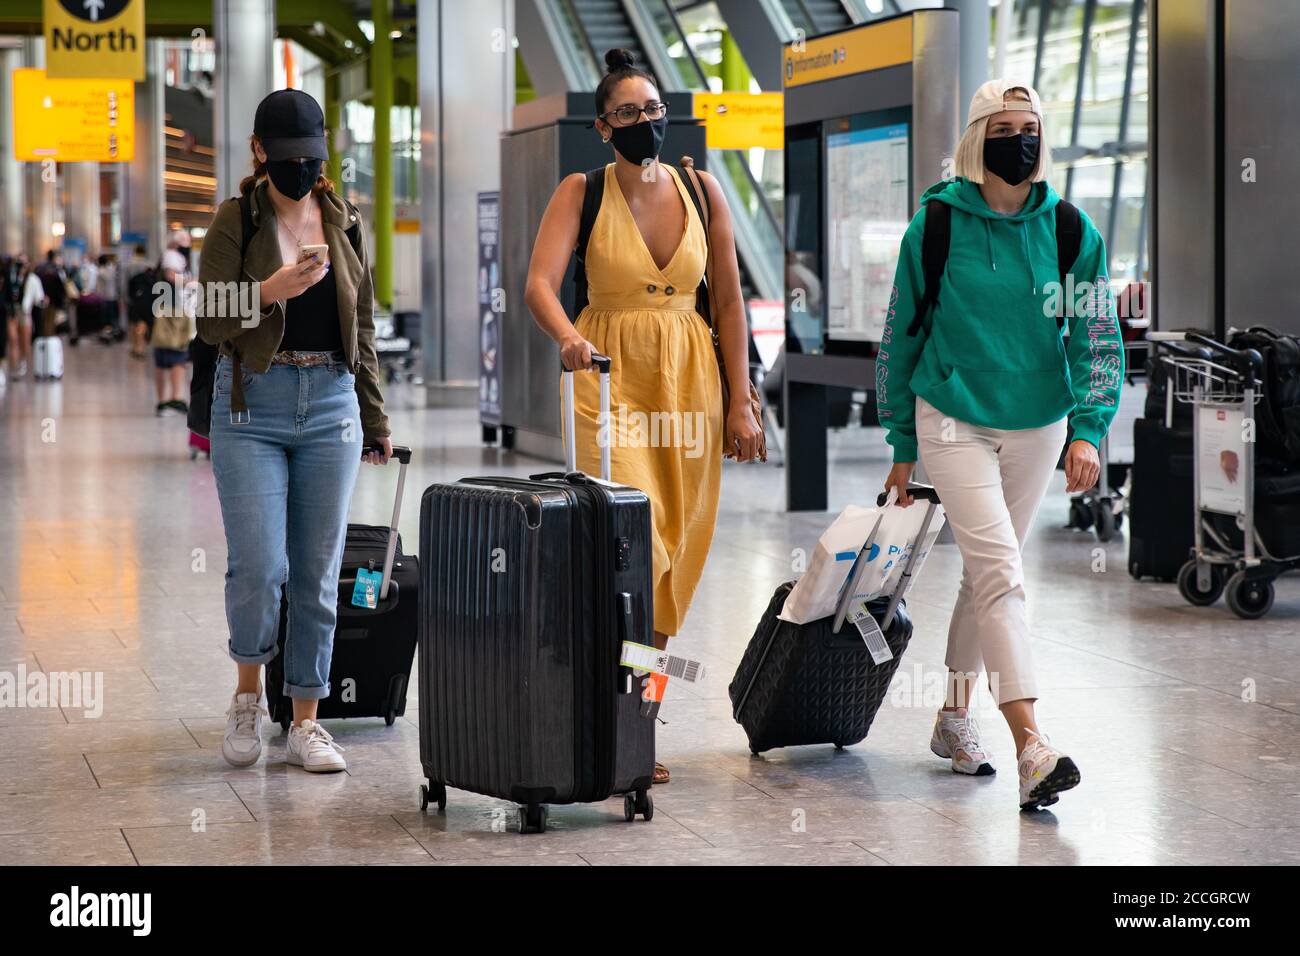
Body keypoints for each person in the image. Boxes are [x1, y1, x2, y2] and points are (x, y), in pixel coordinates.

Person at [877, 80, 1123, 812]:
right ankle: (1032, 746)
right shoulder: (937, 226)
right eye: (1004, 126)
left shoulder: (1073, 230)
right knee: (1003, 576)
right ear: (978, 137)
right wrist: (900, 441)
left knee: (986, 577)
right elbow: (901, 336)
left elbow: (1097, 337)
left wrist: (1087, 429)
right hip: (951, 415)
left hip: (1039, 422)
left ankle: (953, 720)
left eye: (1030, 127)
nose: (1019, 139)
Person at [524, 49, 763, 786]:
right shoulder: (582, 191)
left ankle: (640, 721)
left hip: (691, 383)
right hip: (611, 376)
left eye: (654, 110)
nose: (645, 123)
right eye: (629, 114)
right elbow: (538, 280)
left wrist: (743, 397)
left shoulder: (701, 190)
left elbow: (726, 301)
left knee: (676, 567)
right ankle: (604, 707)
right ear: (603, 127)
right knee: (633, 545)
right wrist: (568, 337)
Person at [197, 88, 394, 774]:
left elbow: (361, 325)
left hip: (331, 402)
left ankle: (306, 718)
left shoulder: (344, 219)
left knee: (315, 571)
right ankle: (248, 696)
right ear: (259, 153)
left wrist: (374, 417)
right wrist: (273, 289)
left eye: (311, 158)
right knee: (260, 567)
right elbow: (209, 321)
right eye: (286, 158)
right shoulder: (235, 220)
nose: (300, 169)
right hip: (253, 404)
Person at [150, 231, 195, 415]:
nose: (188, 244)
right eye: (185, 241)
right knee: (177, 356)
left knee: (165, 357)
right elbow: (171, 276)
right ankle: (175, 399)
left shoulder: (170, 256)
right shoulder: (172, 256)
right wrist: (192, 282)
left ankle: (165, 401)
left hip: (170, 310)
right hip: (173, 312)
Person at [124, 244, 153, 359]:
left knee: (135, 323)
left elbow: (126, 283)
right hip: (147, 299)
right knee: (144, 323)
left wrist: (125, 298)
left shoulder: (129, 266)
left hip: (135, 299)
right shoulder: (149, 265)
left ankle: (137, 347)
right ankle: (141, 347)